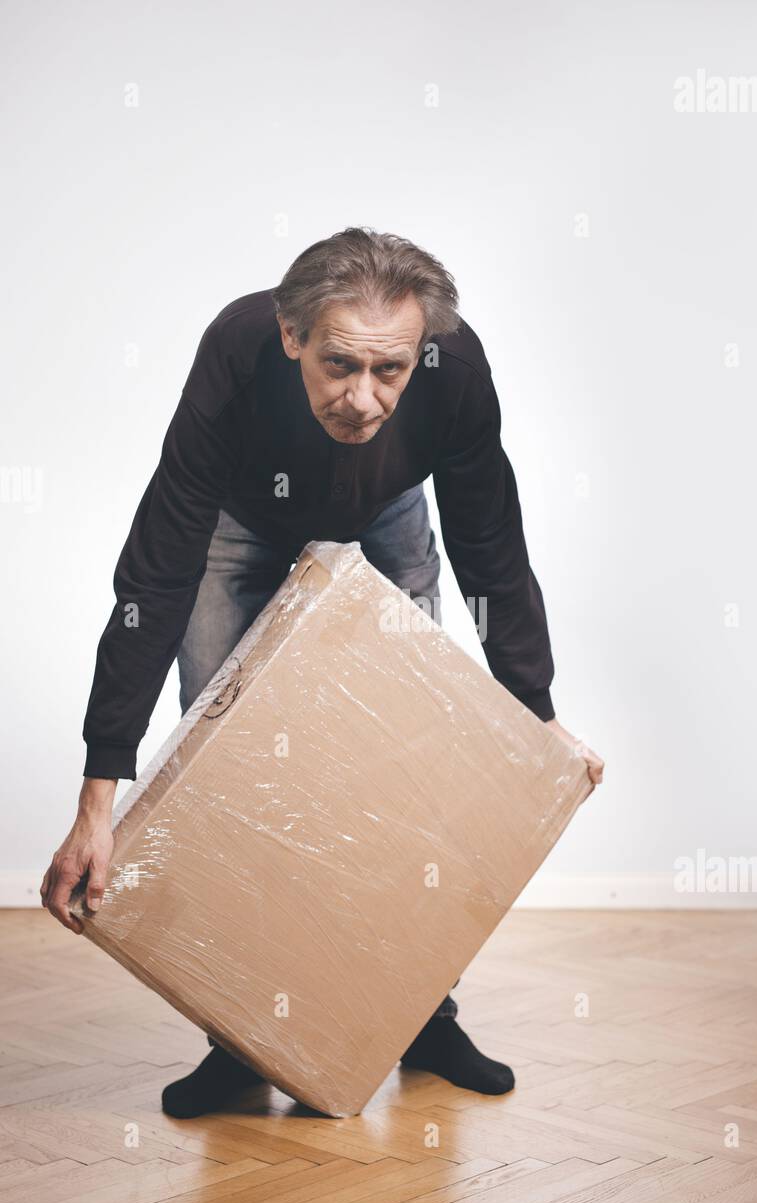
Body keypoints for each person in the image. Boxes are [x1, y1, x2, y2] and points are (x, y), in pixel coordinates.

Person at [40, 227, 604, 1117]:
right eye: (340, 364)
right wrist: (98, 798)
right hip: (238, 529)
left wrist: (534, 712)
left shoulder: (453, 365)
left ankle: (426, 1018)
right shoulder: (234, 350)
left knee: (411, 766)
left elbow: (490, 541)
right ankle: (239, 1043)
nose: (366, 399)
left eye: (391, 371)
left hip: (386, 513)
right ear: (290, 334)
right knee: (230, 779)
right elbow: (155, 572)